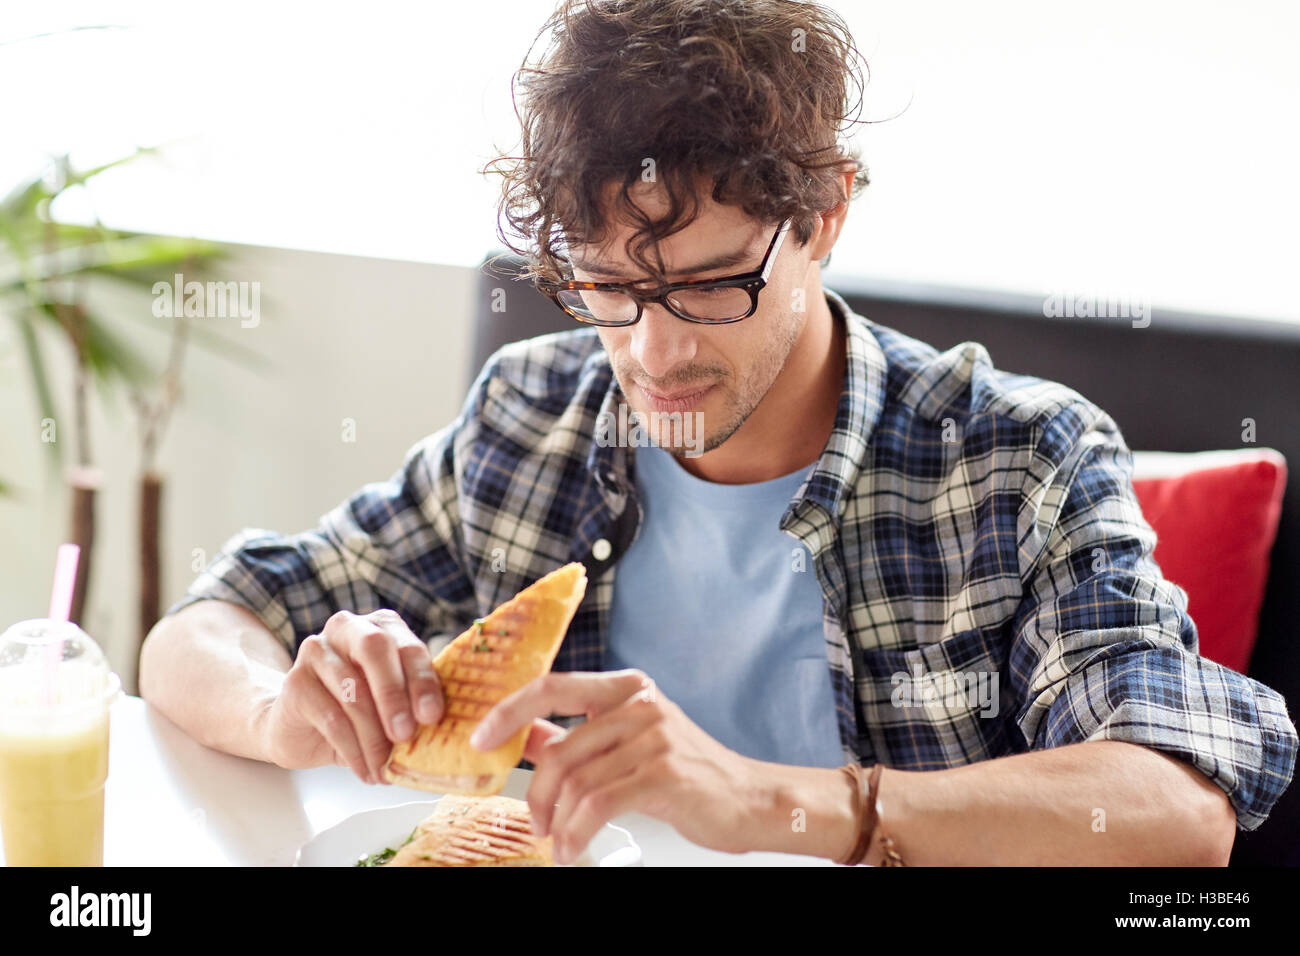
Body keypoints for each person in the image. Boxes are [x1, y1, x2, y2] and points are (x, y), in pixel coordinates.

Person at [139, 0, 1295, 866]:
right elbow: (208, 624)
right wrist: (281, 709)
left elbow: (1174, 805)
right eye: (603, 287)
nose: (651, 353)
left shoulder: (1015, 461)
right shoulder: (530, 416)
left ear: (826, 212)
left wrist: (764, 798)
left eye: (708, 285)